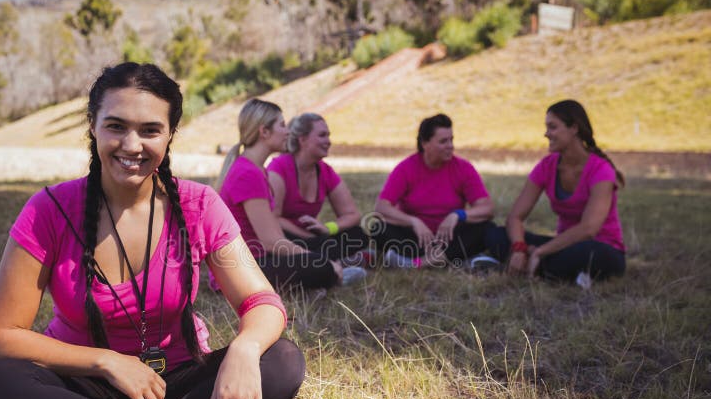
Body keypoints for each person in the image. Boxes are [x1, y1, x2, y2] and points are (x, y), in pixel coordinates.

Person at [0, 63, 305, 399]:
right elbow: (0, 338)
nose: (131, 145)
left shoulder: (200, 205)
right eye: (116, 126)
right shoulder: (49, 209)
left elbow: (262, 301)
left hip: (176, 388)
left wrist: (244, 348)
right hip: (81, 387)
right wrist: (106, 361)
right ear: (92, 126)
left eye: (149, 130)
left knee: (281, 360)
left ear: (170, 135)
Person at [216, 99, 366, 290]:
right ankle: (332, 274)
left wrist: (311, 254)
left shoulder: (257, 170)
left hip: (258, 260)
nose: (288, 131)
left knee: (318, 260)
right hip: (241, 271)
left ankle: (326, 274)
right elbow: (271, 242)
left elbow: (275, 237)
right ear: (264, 132)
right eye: (282, 125)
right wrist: (316, 259)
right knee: (319, 266)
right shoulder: (248, 173)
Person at [486, 99, 626, 285]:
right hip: (561, 247)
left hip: (601, 248)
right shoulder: (547, 166)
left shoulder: (601, 170)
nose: (546, 134)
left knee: (586, 252)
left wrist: (540, 251)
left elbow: (589, 229)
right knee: (496, 235)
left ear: (574, 128)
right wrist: (519, 248)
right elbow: (515, 217)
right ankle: (547, 268)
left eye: (552, 127)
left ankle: (536, 264)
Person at [372, 113, 495, 268]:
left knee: (487, 228)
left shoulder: (463, 168)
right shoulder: (406, 168)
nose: (450, 146)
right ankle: (454, 258)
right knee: (378, 228)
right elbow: (381, 207)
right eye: (443, 141)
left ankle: (419, 262)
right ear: (425, 143)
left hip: (450, 236)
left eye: (451, 140)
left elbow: (487, 208)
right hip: (417, 237)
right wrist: (414, 222)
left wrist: (458, 215)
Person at [267, 112, 370, 265]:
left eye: (328, 135)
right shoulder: (279, 167)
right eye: (322, 135)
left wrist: (328, 228)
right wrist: (308, 236)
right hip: (287, 237)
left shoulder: (325, 171)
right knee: (290, 242)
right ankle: (333, 262)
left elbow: (352, 215)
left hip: (314, 239)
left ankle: (325, 262)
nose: (328, 141)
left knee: (358, 235)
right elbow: (273, 218)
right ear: (302, 139)